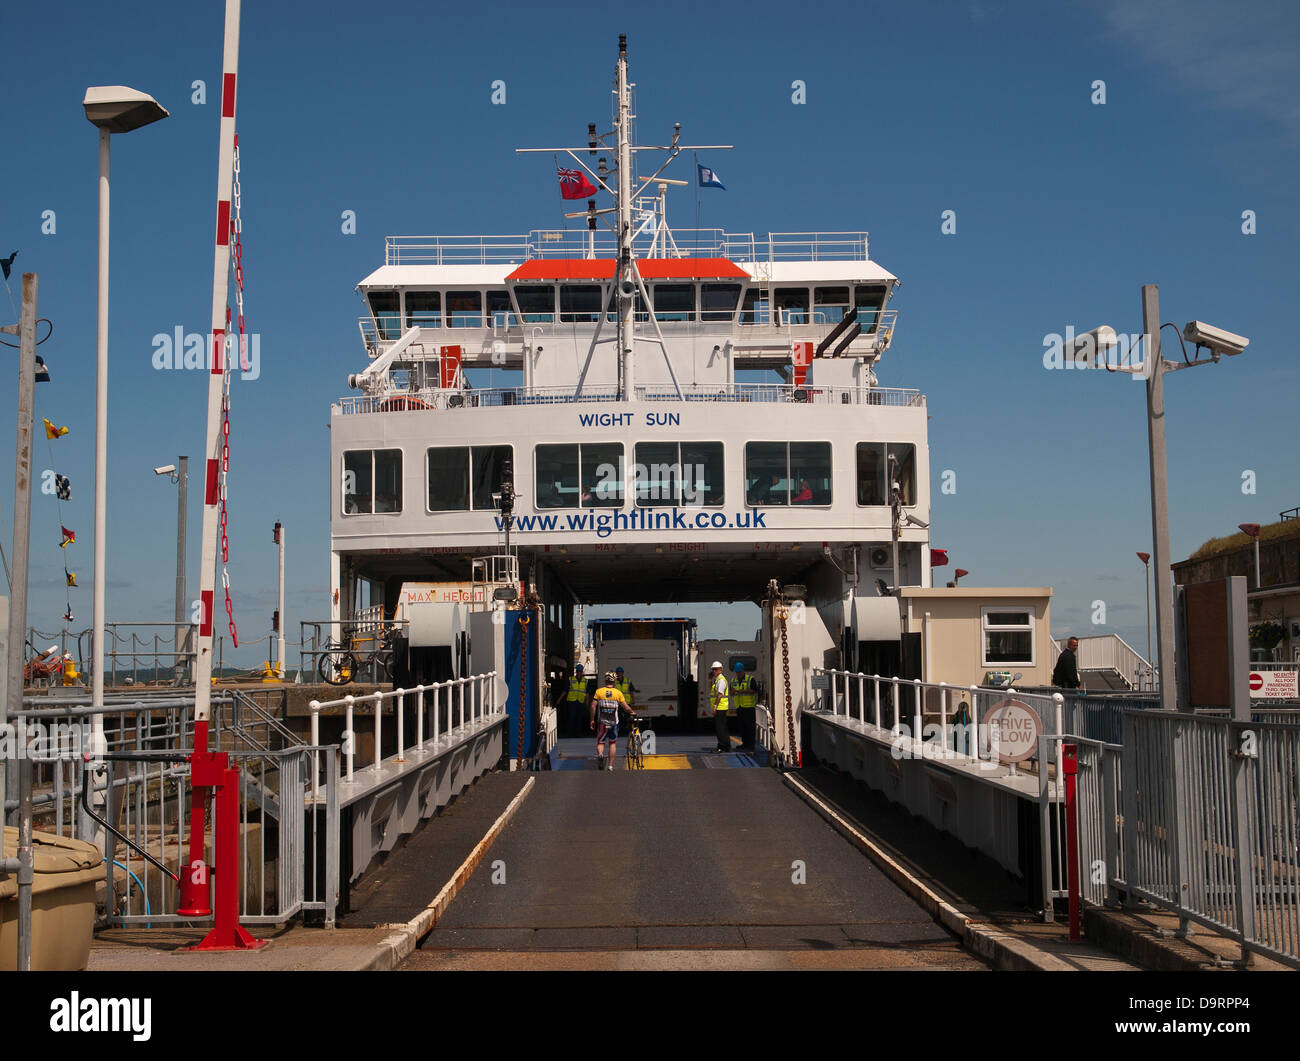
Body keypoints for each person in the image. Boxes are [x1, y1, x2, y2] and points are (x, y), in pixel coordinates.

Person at [590, 670, 633, 770]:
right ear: (614, 681)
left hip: (602, 723)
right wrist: (632, 712)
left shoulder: (599, 692)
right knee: (612, 743)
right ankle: (610, 765)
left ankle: (600, 754)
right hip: (614, 723)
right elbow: (626, 708)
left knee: (601, 742)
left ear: (605, 680)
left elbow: (593, 706)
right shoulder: (618, 693)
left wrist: (592, 719)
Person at [730, 661, 759, 751]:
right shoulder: (733, 681)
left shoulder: (750, 679)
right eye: (736, 672)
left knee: (750, 727)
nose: (737, 673)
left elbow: (754, 690)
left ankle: (750, 745)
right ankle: (744, 744)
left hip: (749, 707)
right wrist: (733, 692)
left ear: (743, 671)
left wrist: (741, 691)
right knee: (742, 727)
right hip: (739, 707)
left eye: (739, 672)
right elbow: (731, 693)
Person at [708, 660, 732, 752]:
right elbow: (711, 690)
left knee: (720, 728)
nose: (714, 671)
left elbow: (719, 695)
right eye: (713, 669)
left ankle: (721, 747)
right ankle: (726, 746)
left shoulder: (721, 680)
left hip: (720, 707)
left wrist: (715, 706)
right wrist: (710, 680)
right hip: (721, 707)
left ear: (720, 670)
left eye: (715, 669)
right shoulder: (717, 680)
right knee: (723, 727)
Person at [564, 664, 591, 736]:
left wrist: (587, 705)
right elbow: (565, 691)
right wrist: (559, 700)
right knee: (572, 716)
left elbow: (587, 694)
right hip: (572, 701)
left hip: (580, 702)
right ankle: (570, 732)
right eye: (578, 671)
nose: (579, 673)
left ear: (582, 672)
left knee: (579, 717)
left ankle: (578, 733)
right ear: (576, 672)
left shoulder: (585, 681)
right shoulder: (571, 679)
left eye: (580, 671)